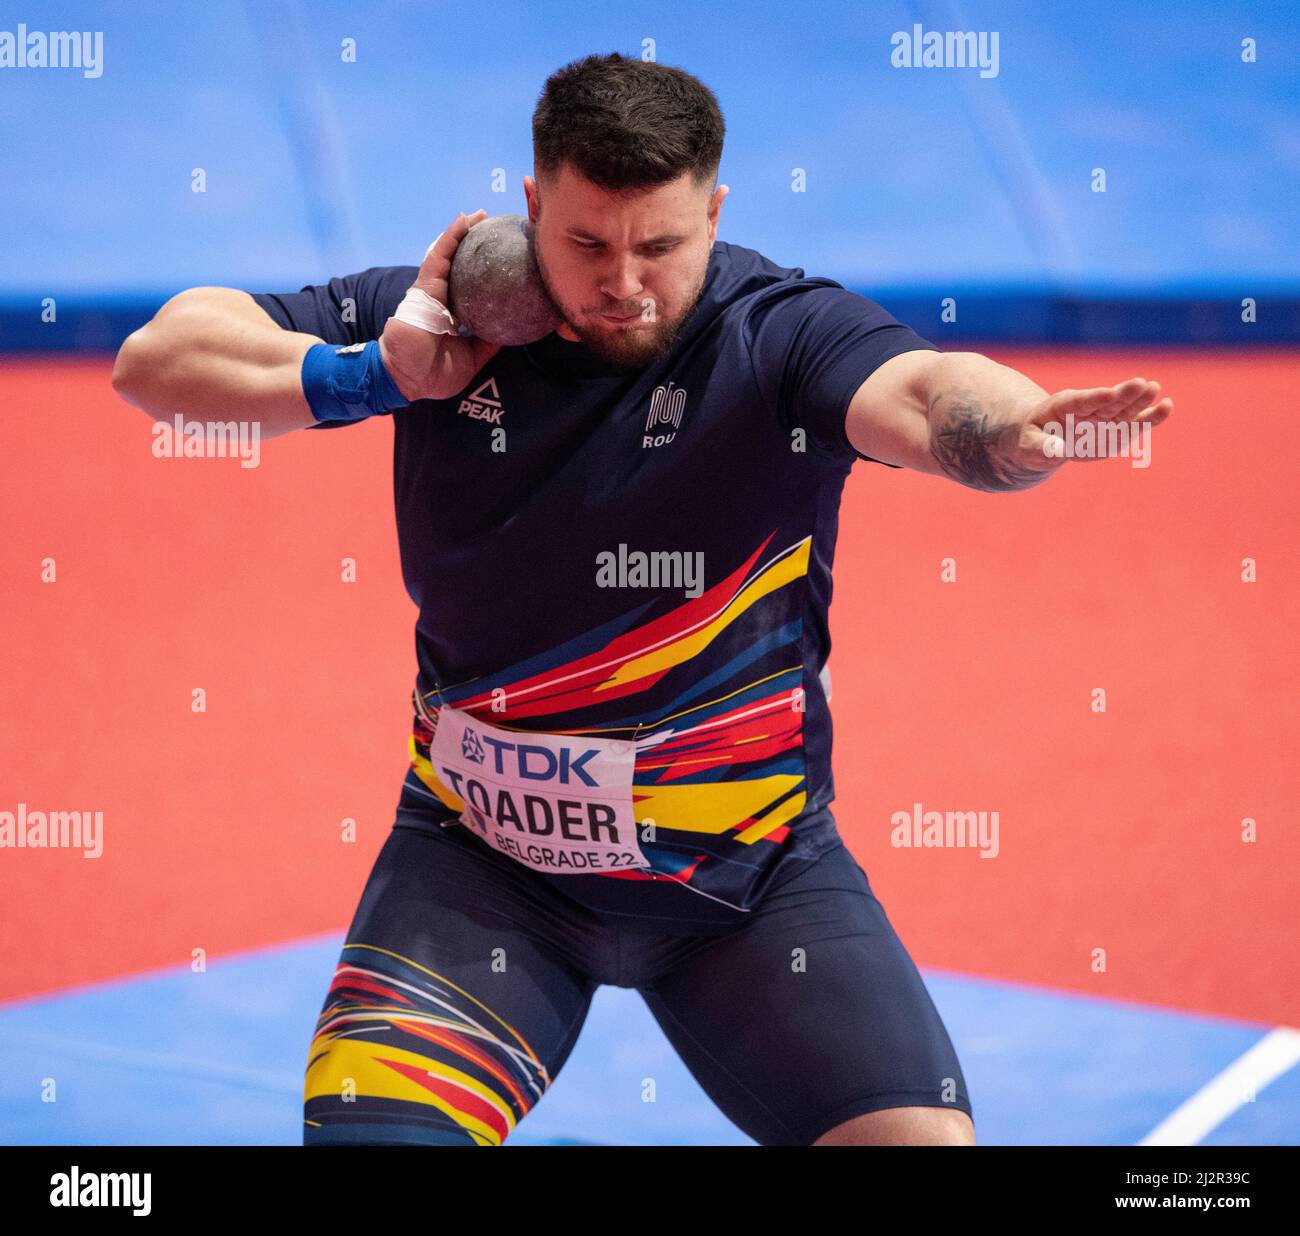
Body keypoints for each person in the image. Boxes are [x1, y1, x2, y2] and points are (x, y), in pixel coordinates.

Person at [111, 51, 1172, 1147]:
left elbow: (924, 389)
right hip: (482, 871)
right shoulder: (442, 326)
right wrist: (370, 376)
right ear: (531, 210)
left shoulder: (781, 335)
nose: (624, 281)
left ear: (712, 213)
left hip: (749, 885)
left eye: (661, 245)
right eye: (587, 243)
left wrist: (1011, 431)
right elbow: (154, 361)